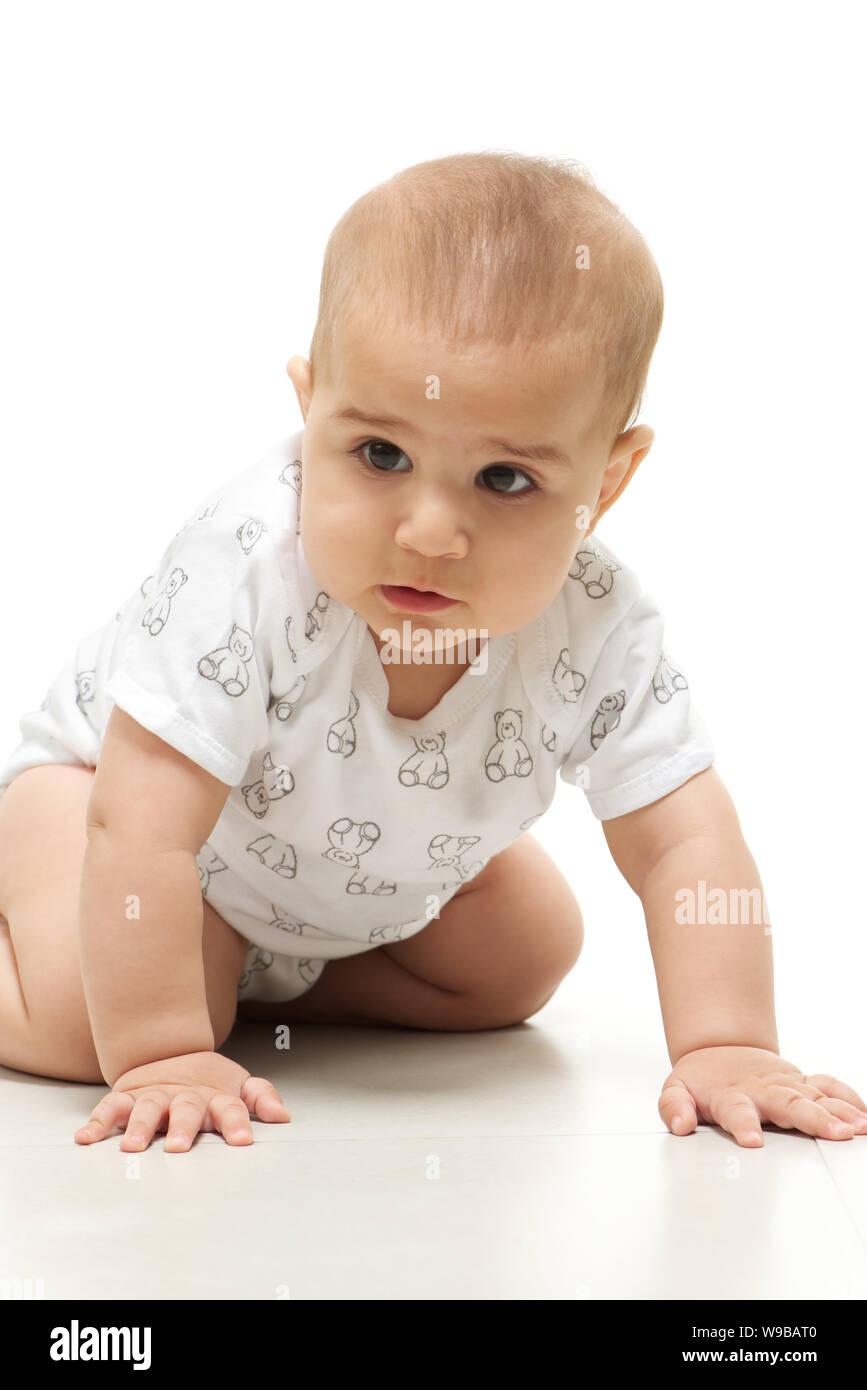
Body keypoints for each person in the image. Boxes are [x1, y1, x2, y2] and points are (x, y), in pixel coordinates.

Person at [1, 150, 864, 1154]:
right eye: (380, 455)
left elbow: (686, 842)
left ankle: (254, 983)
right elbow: (138, 824)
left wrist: (730, 1043)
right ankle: (185, 985)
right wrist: (159, 1051)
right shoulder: (245, 571)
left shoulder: (598, 624)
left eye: (504, 479)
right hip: (108, 808)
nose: (428, 530)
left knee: (528, 949)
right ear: (310, 406)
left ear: (609, 481)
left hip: (339, 881)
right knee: (84, 1015)